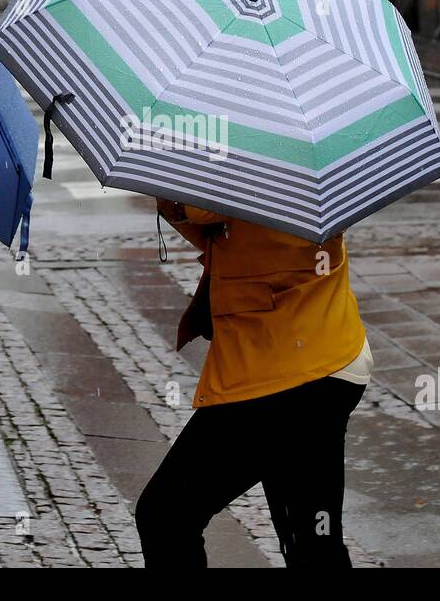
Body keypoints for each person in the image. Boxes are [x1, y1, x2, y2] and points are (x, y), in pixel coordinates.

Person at [136, 200, 373, 568]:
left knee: (166, 515)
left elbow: (203, 210)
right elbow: (223, 235)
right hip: (330, 359)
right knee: (312, 541)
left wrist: (168, 187)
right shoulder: (313, 176)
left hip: (281, 377)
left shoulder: (249, 171)